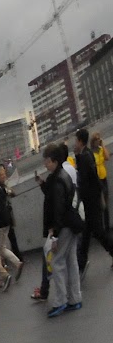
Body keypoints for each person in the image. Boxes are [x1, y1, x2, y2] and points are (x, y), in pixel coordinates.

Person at [41, 142, 84, 318]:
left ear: (54, 161)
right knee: (71, 261)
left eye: (47, 161)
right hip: (72, 223)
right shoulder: (64, 176)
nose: (45, 164)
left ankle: (60, 301)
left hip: (63, 226)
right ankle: (75, 298)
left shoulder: (56, 180)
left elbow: (57, 208)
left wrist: (55, 234)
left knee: (57, 262)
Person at [72, 128, 111, 272]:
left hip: (90, 201)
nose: (74, 143)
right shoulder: (87, 154)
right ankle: (81, 263)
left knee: (98, 232)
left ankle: (81, 264)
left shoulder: (85, 157)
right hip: (91, 200)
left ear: (80, 141)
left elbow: (86, 179)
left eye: (76, 140)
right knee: (87, 233)